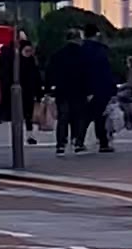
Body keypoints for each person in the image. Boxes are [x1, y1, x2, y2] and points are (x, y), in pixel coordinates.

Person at [45, 28, 87, 156]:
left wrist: (48, 89)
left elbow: (50, 73)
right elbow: (88, 74)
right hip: (79, 90)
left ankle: (61, 145)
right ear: (78, 39)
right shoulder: (83, 54)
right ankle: (77, 142)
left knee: (63, 118)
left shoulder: (58, 54)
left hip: (62, 90)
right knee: (78, 117)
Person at [77, 23, 117, 153]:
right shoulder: (100, 50)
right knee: (99, 116)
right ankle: (102, 142)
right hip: (102, 87)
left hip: (87, 88)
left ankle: (80, 141)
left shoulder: (81, 50)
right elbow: (105, 70)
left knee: (88, 115)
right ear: (97, 35)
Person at [0, 30, 28, 123]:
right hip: (15, 81)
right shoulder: (20, 53)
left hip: (4, 81)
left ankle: (2, 115)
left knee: (5, 99)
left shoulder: (4, 54)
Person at [18, 40, 42, 145]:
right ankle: (22, 135)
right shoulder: (18, 63)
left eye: (30, 51)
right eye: (26, 51)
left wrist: (39, 94)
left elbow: (37, 79)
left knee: (29, 116)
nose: (28, 53)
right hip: (19, 93)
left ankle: (29, 135)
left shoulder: (32, 62)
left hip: (29, 93)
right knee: (20, 115)